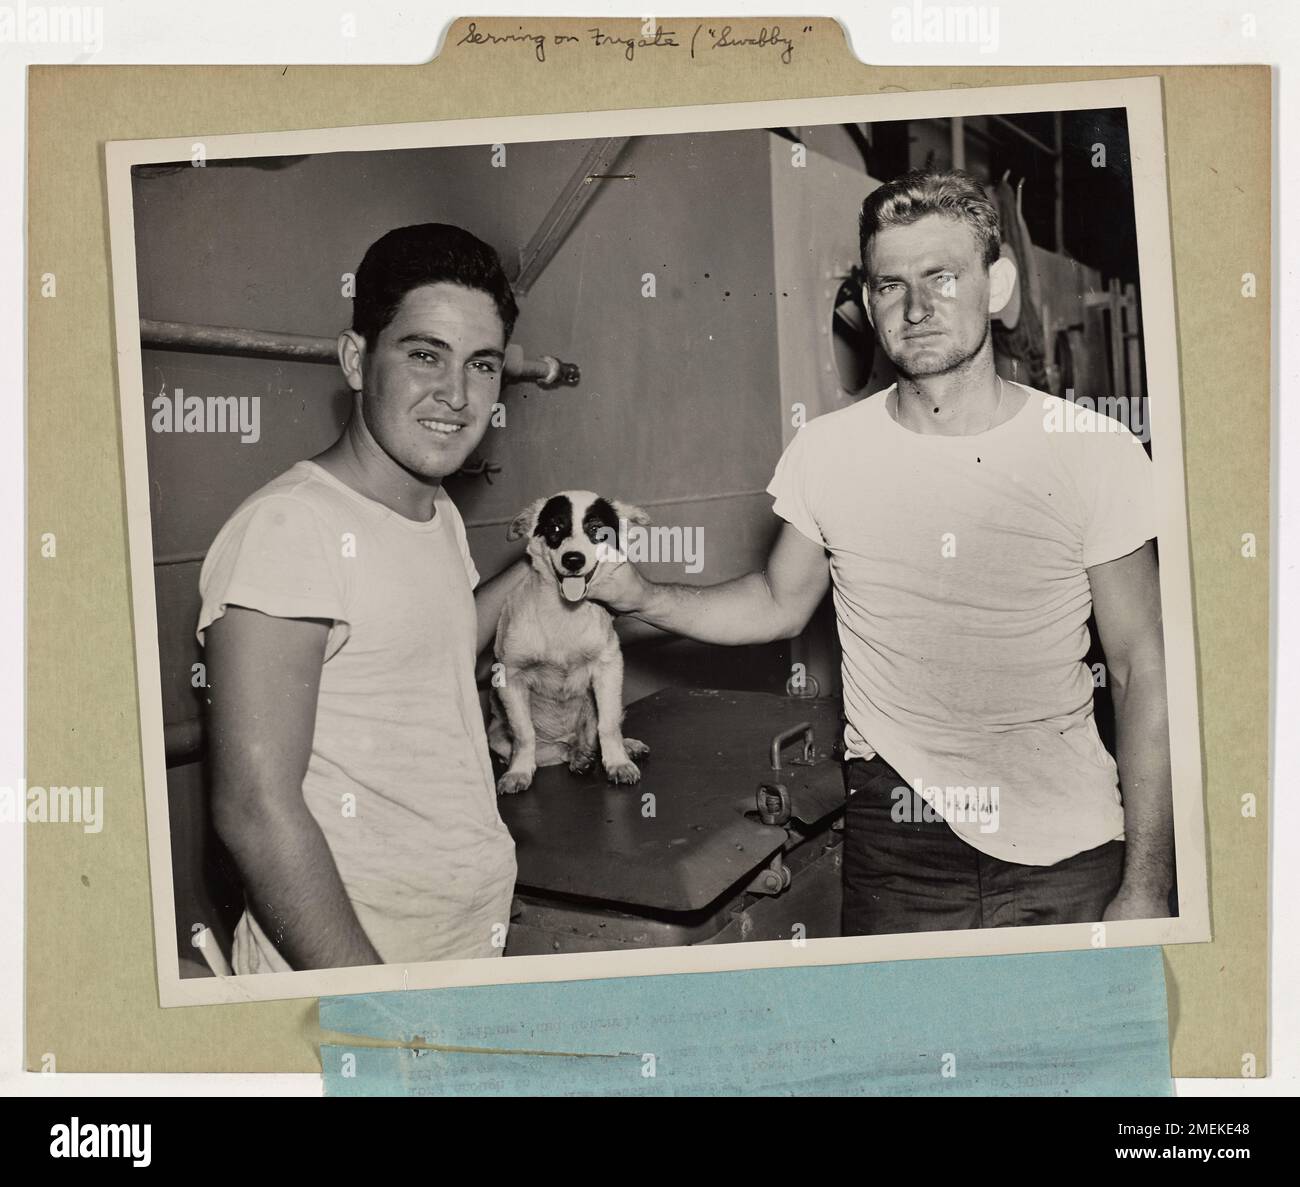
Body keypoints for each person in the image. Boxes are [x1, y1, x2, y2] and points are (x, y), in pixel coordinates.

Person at [590, 169, 1173, 934]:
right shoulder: (828, 451)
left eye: (942, 276)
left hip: (1069, 844)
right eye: (891, 284)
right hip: (900, 847)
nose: (918, 306)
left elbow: (1141, 669)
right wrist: (645, 597)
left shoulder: (1093, 449)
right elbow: (775, 600)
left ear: (996, 286)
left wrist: (1148, 883)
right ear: (869, 303)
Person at [198, 223, 527, 973]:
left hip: (463, 945)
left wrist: (537, 575)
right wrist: (377, 1011)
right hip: (359, 977)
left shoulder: (435, 510)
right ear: (356, 359)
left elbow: (417, 652)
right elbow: (254, 810)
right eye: (423, 355)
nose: (456, 394)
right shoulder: (289, 528)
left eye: (482, 365)